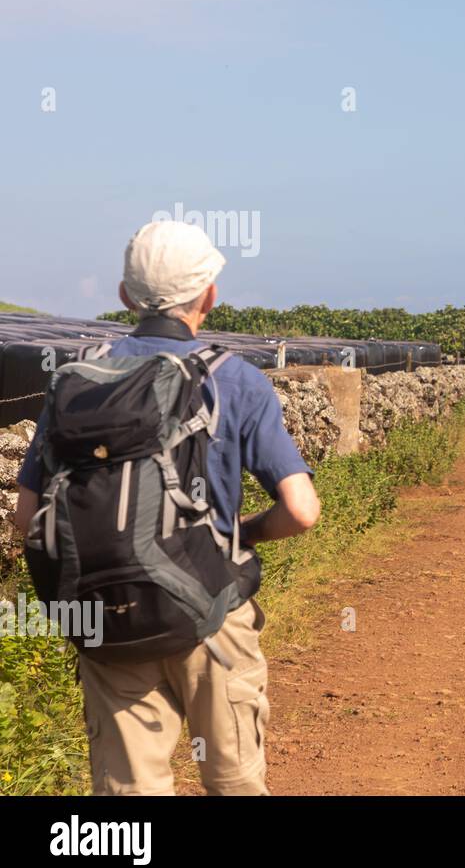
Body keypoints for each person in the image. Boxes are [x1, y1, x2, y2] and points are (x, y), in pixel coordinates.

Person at [12, 220, 320, 795]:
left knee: (129, 792)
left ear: (126, 297)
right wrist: (243, 535)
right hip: (211, 613)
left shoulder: (77, 381)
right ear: (210, 295)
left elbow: (26, 518)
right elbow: (301, 510)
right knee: (233, 782)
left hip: (108, 616)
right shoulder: (238, 380)